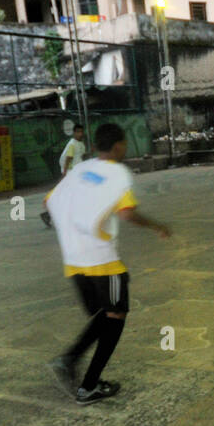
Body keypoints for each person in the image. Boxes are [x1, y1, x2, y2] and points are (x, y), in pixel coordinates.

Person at [46, 122, 171, 405]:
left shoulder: (79, 171)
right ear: (117, 146)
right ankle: (86, 382)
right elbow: (127, 214)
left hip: (73, 262)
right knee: (115, 317)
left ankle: (70, 361)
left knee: (105, 314)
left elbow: (50, 202)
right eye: (124, 144)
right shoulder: (117, 172)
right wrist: (157, 226)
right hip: (101, 259)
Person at [42, 124, 88, 228]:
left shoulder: (80, 144)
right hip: (71, 173)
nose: (80, 134)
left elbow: (80, 156)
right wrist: (64, 173)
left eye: (81, 132)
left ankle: (49, 215)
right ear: (74, 132)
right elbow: (69, 158)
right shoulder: (72, 144)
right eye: (78, 132)